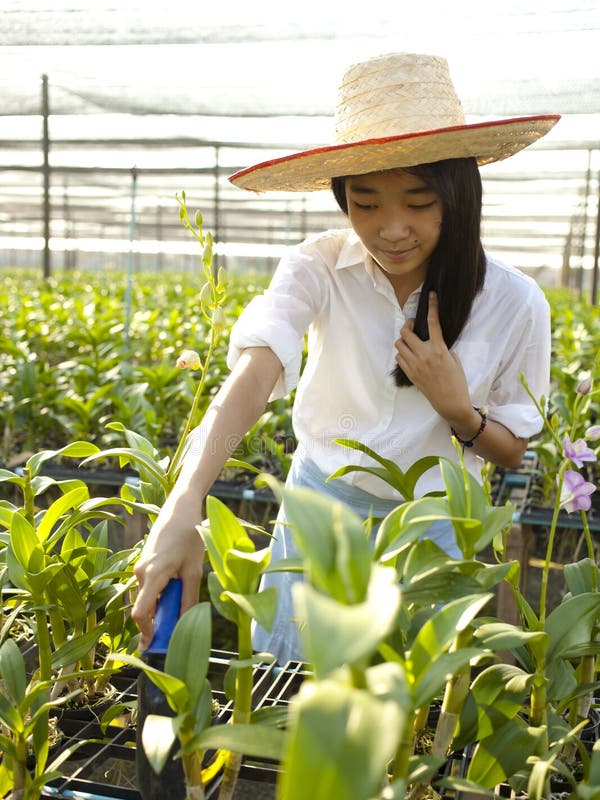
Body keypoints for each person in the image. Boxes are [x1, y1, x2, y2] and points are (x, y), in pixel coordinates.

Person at [132, 52, 559, 662]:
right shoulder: (319, 267)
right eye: (366, 203)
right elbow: (255, 375)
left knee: (410, 713)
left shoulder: (514, 302)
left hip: (434, 524)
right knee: (290, 694)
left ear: (458, 196)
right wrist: (184, 501)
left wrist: (458, 410)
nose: (391, 229)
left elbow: (513, 447)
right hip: (319, 510)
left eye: (418, 203)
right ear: (342, 200)